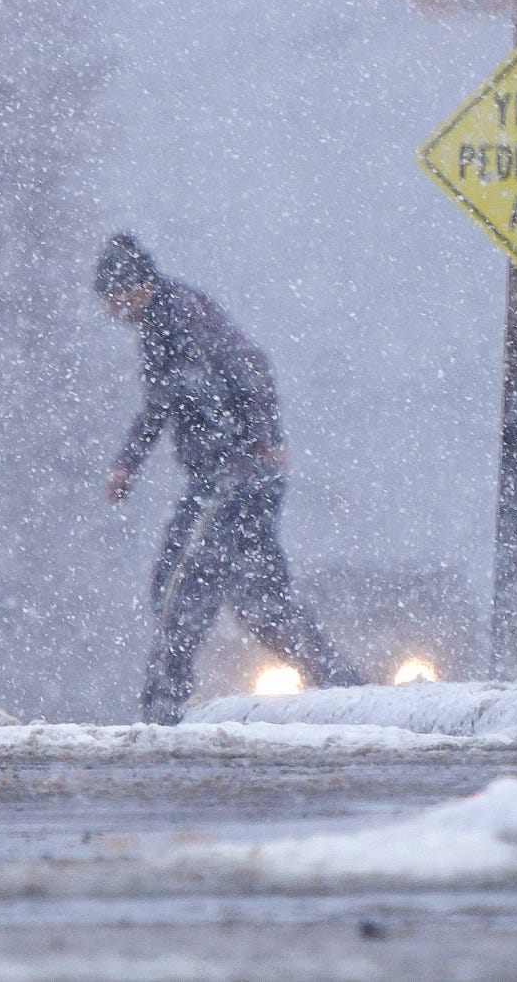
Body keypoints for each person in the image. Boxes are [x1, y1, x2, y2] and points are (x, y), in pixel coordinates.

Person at [95, 232, 364, 723]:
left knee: (179, 583)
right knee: (262, 603)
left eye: (113, 300)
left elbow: (246, 367)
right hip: (236, 476)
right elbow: (164, 402)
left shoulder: (178, 318)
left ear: (134, 285)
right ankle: (349, 689)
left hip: (231, 476)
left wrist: (259, 438)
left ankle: (162, 712)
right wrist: (128, 464)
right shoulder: (166, 321)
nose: (114, 313)